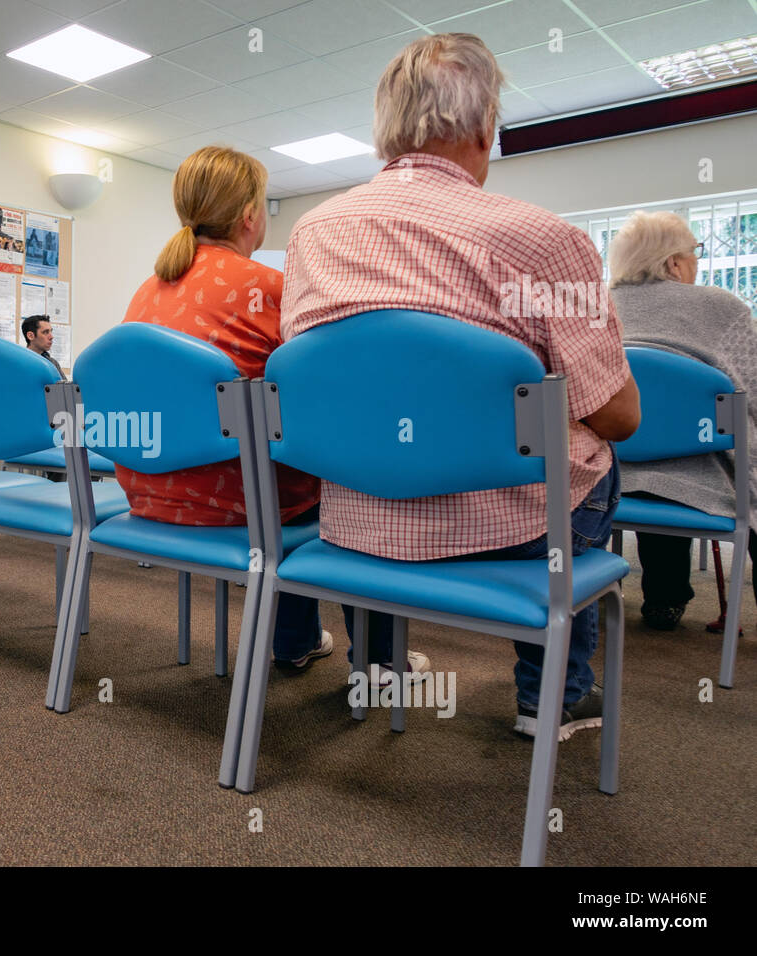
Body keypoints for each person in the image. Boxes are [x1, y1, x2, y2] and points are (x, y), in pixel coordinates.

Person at [282, 33, 641, 738]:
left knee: (375, 454)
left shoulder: (310, 235)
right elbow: (618, 414)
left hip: (363, 517)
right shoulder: (543, 238)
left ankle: (377, 664)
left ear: (385, 131)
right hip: (510, 527)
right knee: (598, 461)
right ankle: (552, 696)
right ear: (485, 128)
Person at [116, 145, 333, 672]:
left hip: (148, 491)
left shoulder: (145, 293)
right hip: (240, 503)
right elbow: (320, 387)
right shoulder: (271, 287)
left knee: (277, 463)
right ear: (250, 216)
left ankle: (299, 639)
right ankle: (379, 666)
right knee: (347, 485)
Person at [608, 210, 757, 630]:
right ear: (674, 262)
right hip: (702, 477)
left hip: (613, 472)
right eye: (695, 252)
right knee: (694, 458)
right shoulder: (720, 307)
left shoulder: (598, 308)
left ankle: (663, 599)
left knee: (656, 456)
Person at [22, 314, 65, 380]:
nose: (51, 337)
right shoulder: (20, 362)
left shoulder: (53, 363)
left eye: (51, 331)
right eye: (45, 332)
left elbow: (65, 389)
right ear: (30, 336)